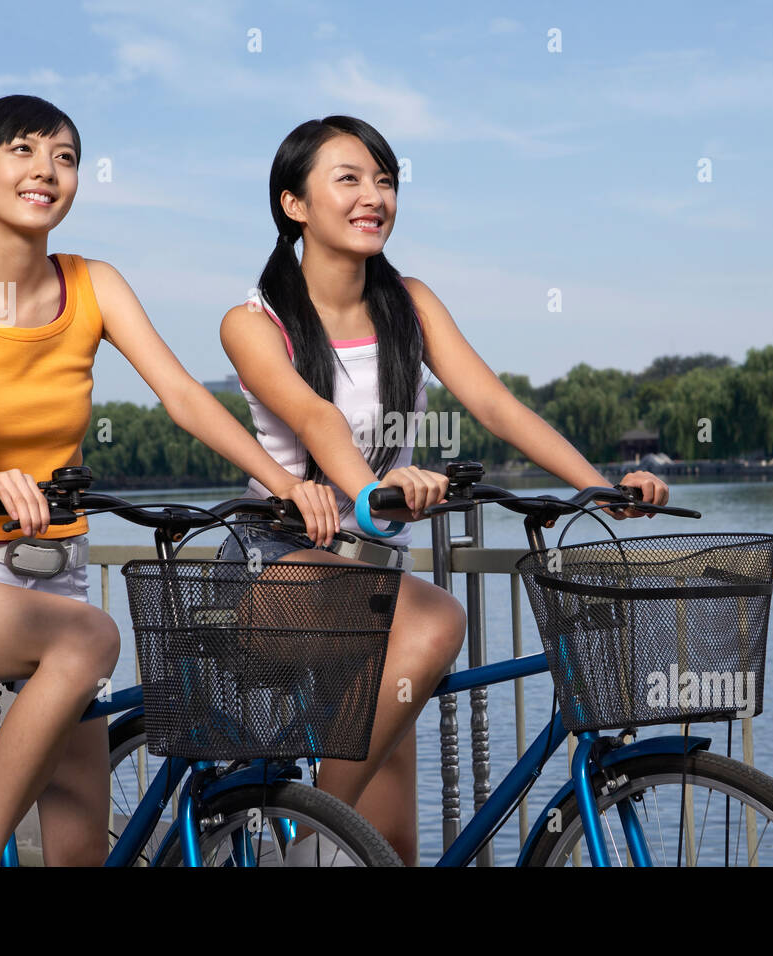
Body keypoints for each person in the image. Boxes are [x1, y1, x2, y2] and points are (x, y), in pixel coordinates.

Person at [0, 94, 339, 867]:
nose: (47, 170)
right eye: (23, 151)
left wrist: (281, 485)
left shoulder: (94, 283)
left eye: (64, 157)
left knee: (82, 852)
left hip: (56, 578)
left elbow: (185, 396)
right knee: (92, 637)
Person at [217, 115, 670, 864]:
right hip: (276, 566)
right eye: (350, 179)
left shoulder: (410, 303)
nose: (375, 196)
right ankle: (304, 841)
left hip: (365, 581)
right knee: (436, 623)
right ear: (294, 204)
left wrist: (602, 487)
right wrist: (371, 492)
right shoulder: (254, 321)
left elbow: (494, 405)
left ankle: (323, 833)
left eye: (386, 180)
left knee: (390, 847)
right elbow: (315, 415)